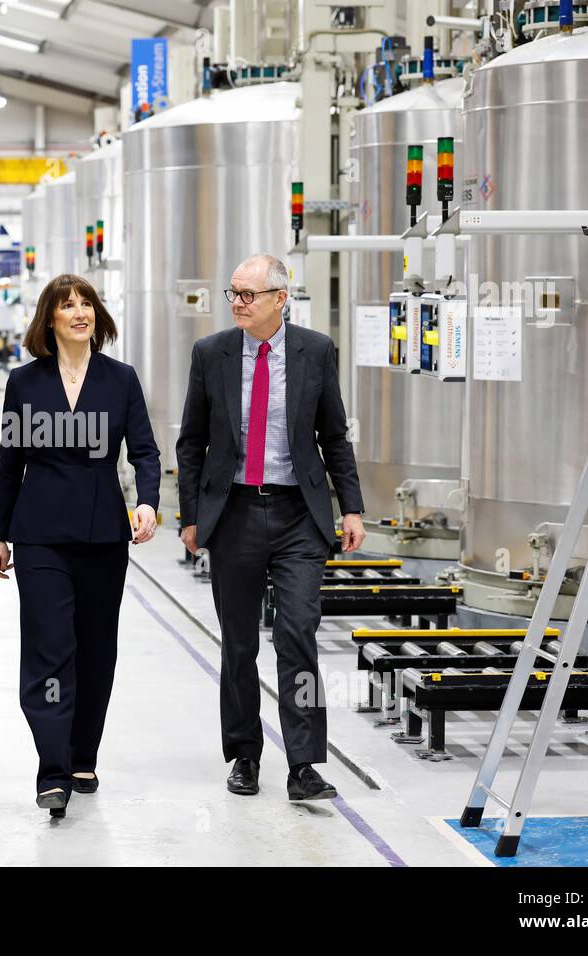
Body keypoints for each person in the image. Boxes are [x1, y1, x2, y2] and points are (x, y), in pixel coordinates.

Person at [176, 253, 365, 802]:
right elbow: (191, 442)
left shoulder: (315, 351)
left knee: (297, 636)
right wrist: (191, 516)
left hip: (298, 516)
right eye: (233, 292)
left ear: (280, 299)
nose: (237, 302)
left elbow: (334, 436)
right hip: (233, 513)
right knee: (238, 644)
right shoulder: (211, 353)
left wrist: (350, 507)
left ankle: (304, 764)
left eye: (248, 294)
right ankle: (244, 755)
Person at [0, 273, 161, 818]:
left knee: (94, 648)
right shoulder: (25, 383)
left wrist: (149, 503)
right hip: (38, 534)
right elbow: (9, 463)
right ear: (51, 319)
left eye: (87, 303)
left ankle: (84, 754)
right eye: (68, 306)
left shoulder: (121, 379)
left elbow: (146, 452)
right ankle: (52, 768)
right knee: (47, 650)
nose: (80, 312)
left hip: (102, 533)